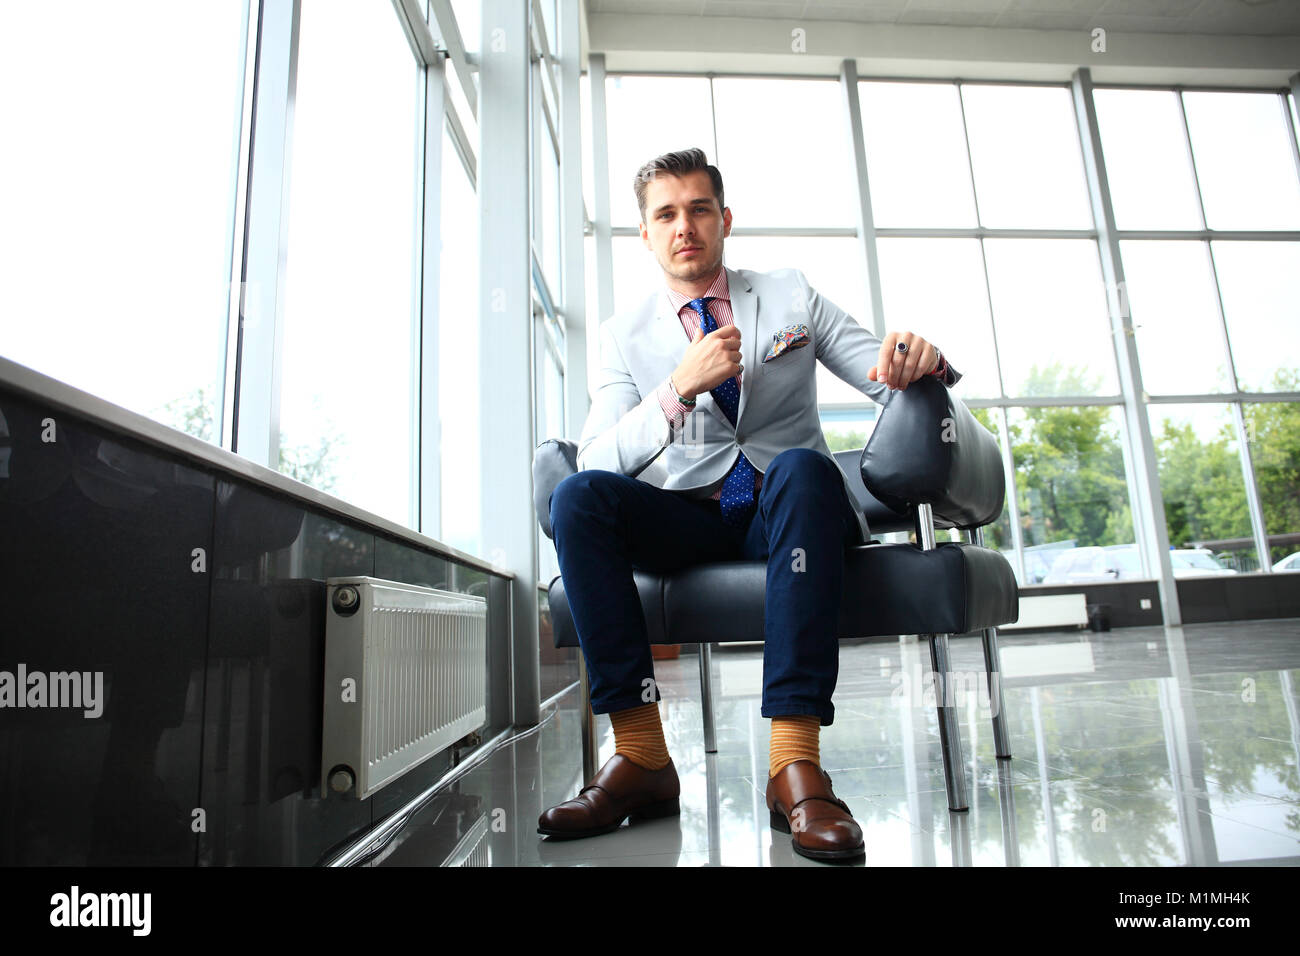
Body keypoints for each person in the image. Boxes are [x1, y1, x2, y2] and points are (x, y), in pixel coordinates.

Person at [538, 147, 961, 862]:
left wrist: (924, 364)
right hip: (684, 519)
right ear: (645, 234)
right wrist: (676, 388)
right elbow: (599, 458)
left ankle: (794, 766)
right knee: (580, 498)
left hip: (784, 513)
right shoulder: (622, 335)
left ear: (724, 219)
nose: (685, 226)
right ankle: (640, 756)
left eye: (699, 209)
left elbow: (885, 377)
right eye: (666, 214)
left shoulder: (790, 295)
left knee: (800, 467)